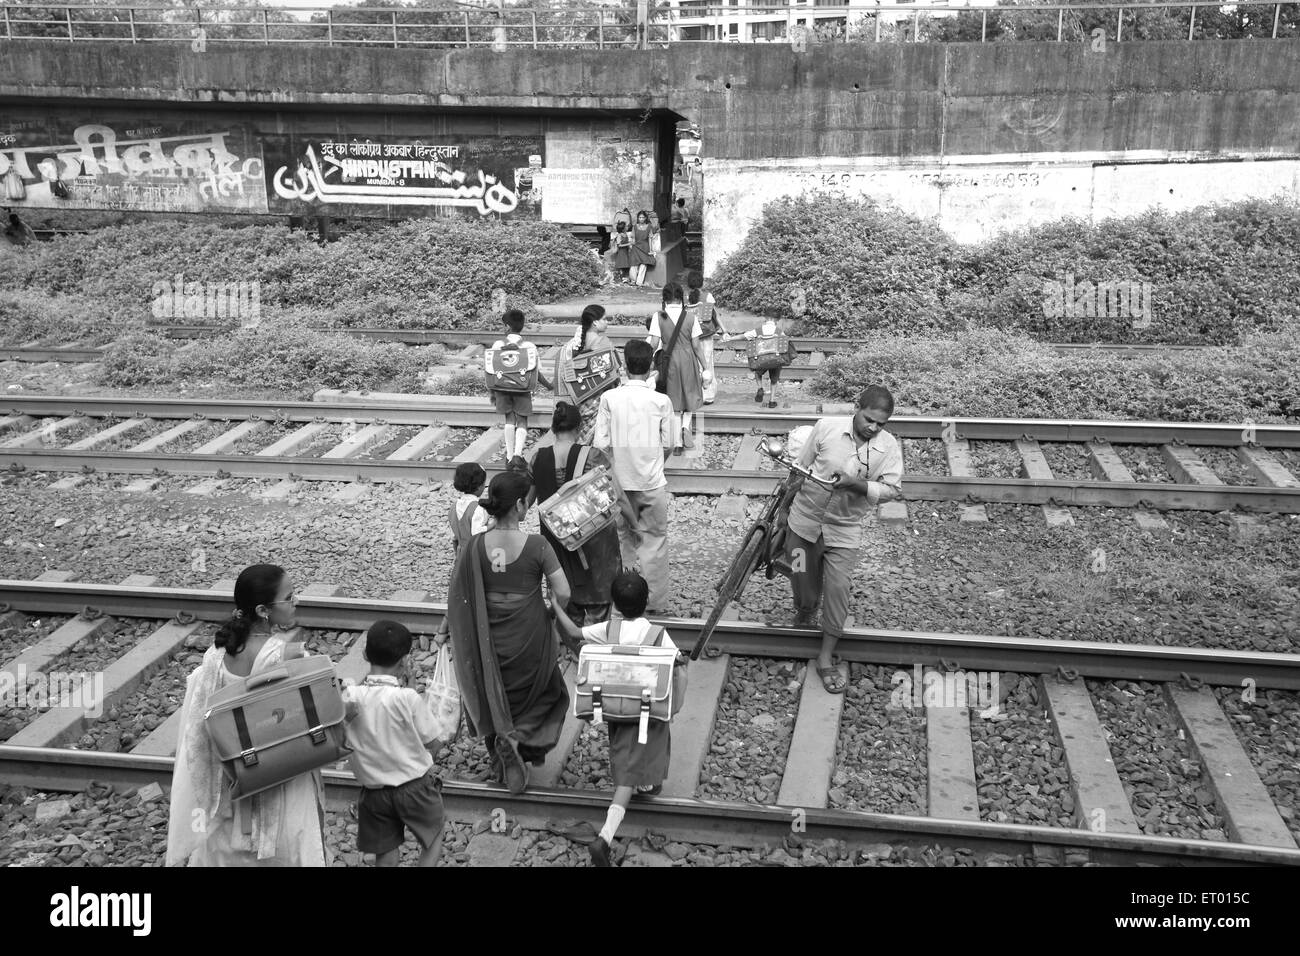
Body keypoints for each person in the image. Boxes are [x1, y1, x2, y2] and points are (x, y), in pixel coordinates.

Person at [167, 564, 327, 866]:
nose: (296, 602)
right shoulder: (286, 657)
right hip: (281, 787)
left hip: (229, 789)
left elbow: (199, 726)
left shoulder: (215, 657)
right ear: (263, 610)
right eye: (289, 597)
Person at [445, 471, 571, 794]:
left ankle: (500, 754)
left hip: (488, 640)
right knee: (550, 692)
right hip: (528, 636)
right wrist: (550, 612)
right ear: (518, 506)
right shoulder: (537, 545)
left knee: (490, 691)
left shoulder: (474, 546)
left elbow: (457, 593)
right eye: (527, 501)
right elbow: (564, 592)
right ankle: (518, 742)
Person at [553, 571, 687, 867]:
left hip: (615, 708)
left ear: (614, 604)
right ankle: (605, 837)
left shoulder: (609, 629)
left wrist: (556, 607)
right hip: (647, 711)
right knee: (630, 772)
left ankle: (646, 784)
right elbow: (678, 665)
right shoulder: (656, 634)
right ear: (646, 601)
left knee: (628, 754)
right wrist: (675, 705)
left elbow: (574, 634)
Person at [781, 385, 904, 694]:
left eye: (881, 424)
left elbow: (892, 489)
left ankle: (825, 655)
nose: (873, 428)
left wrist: (859, 485)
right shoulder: (826, 428)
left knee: (838, 587)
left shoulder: (888, 447)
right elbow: (799, 470)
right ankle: (805, 607)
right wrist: (784, 511)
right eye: (869, 419)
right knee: (799, 574)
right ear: (856, 407)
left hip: (844, 530)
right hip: (803, 523)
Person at [340, 620, 447, 867]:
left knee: (385, 851)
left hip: (374, 793)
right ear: (404, 660)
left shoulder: (351, 696)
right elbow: (434, 742)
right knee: (433, 836)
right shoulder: (407, 698)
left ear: (365, 655)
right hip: (414, 787)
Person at [594, 340, 675, 613]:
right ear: (651, 365)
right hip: (651, 484)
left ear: (624, 365)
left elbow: (600, 446)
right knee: (654, 541)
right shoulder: (661, 401)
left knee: (622, 540)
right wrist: (655, 464)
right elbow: (670, 443)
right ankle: (655, 602)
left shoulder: (609, 399)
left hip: (618, 485)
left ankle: (623, 601)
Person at [527, 402, 625, 628]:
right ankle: (590, 649)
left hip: (556, 543)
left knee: (566, 600)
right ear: (579, 428)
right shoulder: (593, 456)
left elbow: (525, 504)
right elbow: (618, 495)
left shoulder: (537, 459)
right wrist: (635, 526)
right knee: (599, 604)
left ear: (553, 429)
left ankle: (572, 649)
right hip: (595, 544)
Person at [433, 462, 490, 645]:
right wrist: (493, 525)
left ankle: (443, 630)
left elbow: (455, 538)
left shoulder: (454, 506)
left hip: (460, 555)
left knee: (457, 593)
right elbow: (477, 536)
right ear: (480, 486)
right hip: (474, 558)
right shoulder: (478, 509)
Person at [645, 282, 706, 452]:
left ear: (664, 298)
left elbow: (654, 342)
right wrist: (705, 367)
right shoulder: (691, 317)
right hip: (688, 359)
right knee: (689, 394)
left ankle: (677, 443)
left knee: (674, 398)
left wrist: (647, 364)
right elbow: (696, 346)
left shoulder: (658, 316)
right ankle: (686, 427)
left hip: (668, 360)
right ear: (681, 298)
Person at [554, 303, 625, 444]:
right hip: (598, 399)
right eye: (604, 319)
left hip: (582, 398)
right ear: (594, 322)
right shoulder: (603, 343)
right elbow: (615, 371)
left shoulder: (574, 344)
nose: (607, 322)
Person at [488, 308, 552, 462]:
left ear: (507, 327)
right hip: (523, 389)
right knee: (522, 420)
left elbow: (490, 371)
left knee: (509, 419)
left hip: (501, 388)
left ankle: (509, 456)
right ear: (521, 326)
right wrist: (549, 385)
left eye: (503, 325)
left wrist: (492, 393)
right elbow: (536, 373)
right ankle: (518, 454)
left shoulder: (497, 344)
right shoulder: (529, 346)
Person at [722, 316, 798, 408]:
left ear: (766, 320)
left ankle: (760, 388)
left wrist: (730, 338)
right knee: (774, 380)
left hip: (761, 360)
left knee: (758, 373)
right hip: (776, 360)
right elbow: (785, 343)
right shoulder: (778, 331)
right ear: (775, 321)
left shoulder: (758, 330)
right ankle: (772, 401)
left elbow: (744, 336)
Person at [685, 271, 727, 406]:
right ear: (701, 283)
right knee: (707, 363)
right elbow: (715, 315)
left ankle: (696, 394)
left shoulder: (687, 297)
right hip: (706, 335)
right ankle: (708, 395)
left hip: (692, 336)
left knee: (695, 364)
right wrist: (725, 330)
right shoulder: (708, 296)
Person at [629, 210, 658, 287]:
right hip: (636, 247)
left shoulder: (649, 226)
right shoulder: (634, 227)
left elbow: (650, 239)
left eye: (643, 217)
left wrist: (651, 250)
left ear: (645, 218)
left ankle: (639, 282)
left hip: (645, 247)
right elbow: (633, 239)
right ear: (638, 218)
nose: (641, 219)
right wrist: (631, 246)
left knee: (644, 264)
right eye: (640, 217)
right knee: (633, 264)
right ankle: (633, 280)